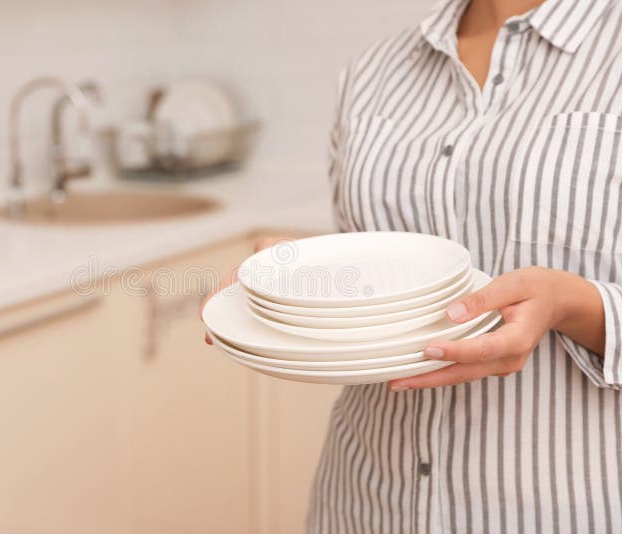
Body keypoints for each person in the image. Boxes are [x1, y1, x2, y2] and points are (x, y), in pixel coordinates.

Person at [205, 0, 622, 531]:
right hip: (367, 501)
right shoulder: (374, 73)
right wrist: (303, 273)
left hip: (565, 508)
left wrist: (572, 304)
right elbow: (380, 259)